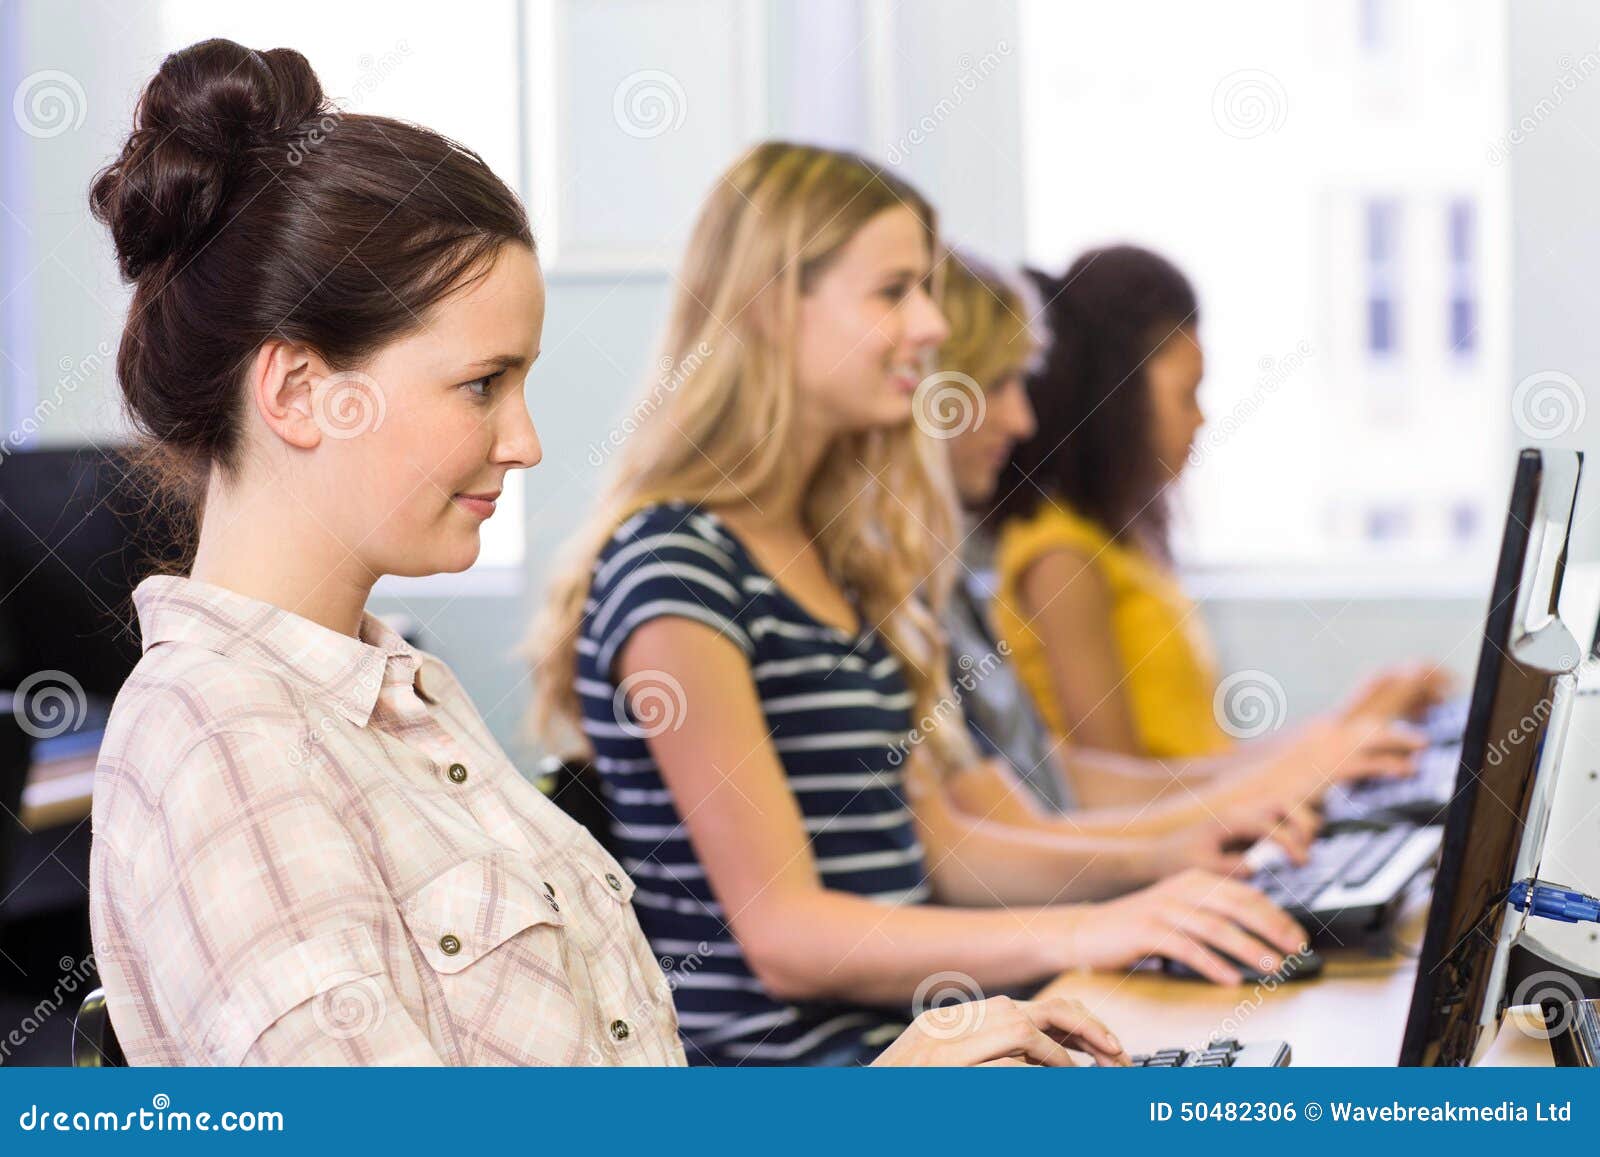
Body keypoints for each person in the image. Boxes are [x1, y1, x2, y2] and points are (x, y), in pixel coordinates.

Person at [83, 39, 1126, 1069]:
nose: (525, 441)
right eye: (482, 383)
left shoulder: (402, 697)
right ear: (301, 392)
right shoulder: (221, 739)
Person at [530, 142, 1320, 1068]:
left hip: (931, 1046)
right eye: (893, 290)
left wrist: (1163, 863)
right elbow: (786, 935)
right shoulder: (676, 569)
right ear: (773, 305)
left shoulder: (841, 557)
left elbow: (942, 849)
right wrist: (1091, 927)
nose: (932, 323)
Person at [931, 251, 1421, 840]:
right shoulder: (1061, 557)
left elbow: (1072, 781)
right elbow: (1108, 795)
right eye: (1187, 395)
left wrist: (1325, 746)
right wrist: (1307, 760)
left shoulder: (1123, 546)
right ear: (1121, 401)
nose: (1202, 418)